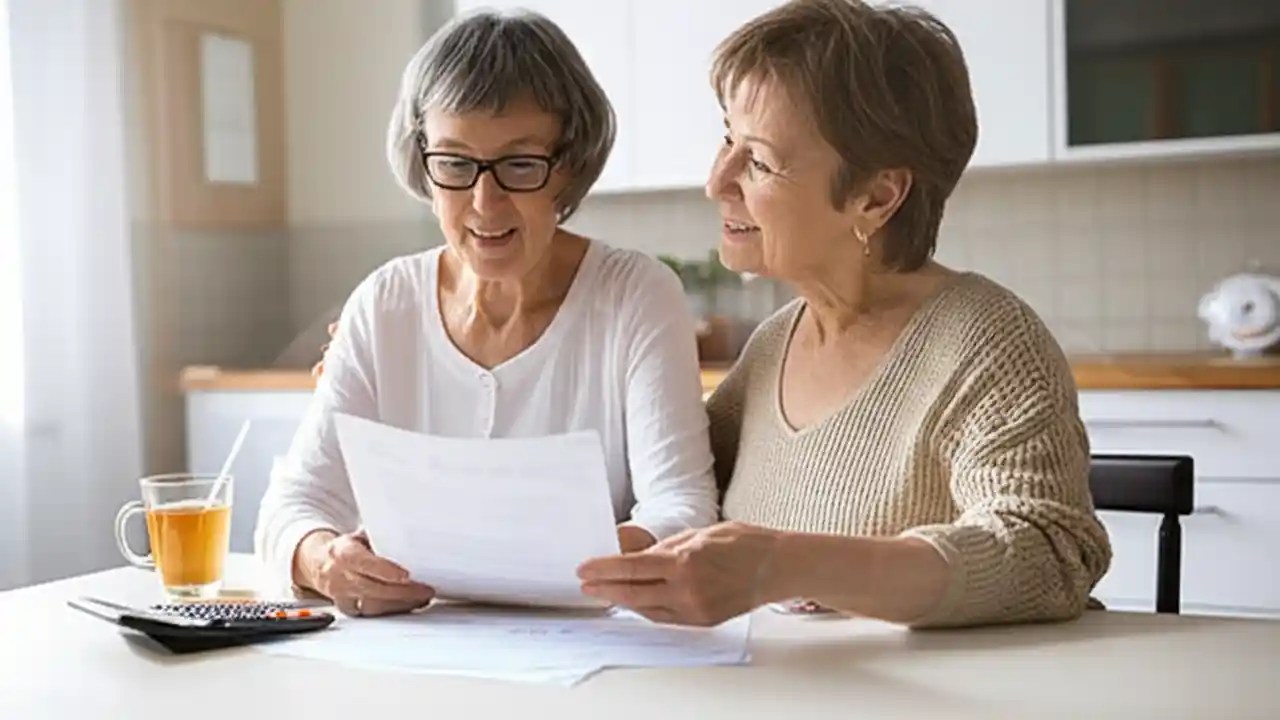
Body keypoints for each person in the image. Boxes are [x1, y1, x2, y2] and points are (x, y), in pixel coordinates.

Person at [576, 0, 1112, 629]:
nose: (716, 181)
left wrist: (787, 563)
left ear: (876, 196)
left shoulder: (988, 341)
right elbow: (675, 501)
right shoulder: (773, 345)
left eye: (758, 160)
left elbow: (1047, 556)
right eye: (727, 138)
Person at [254, 8, 719, 618]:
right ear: (423, 162)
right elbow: (292, 508)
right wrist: (324, 561)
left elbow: (682, 509)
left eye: (520, 164)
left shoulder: (636, 296)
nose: (484, 202)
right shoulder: (385, 303)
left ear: (569, 164)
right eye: (454, 164)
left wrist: (559, 568)